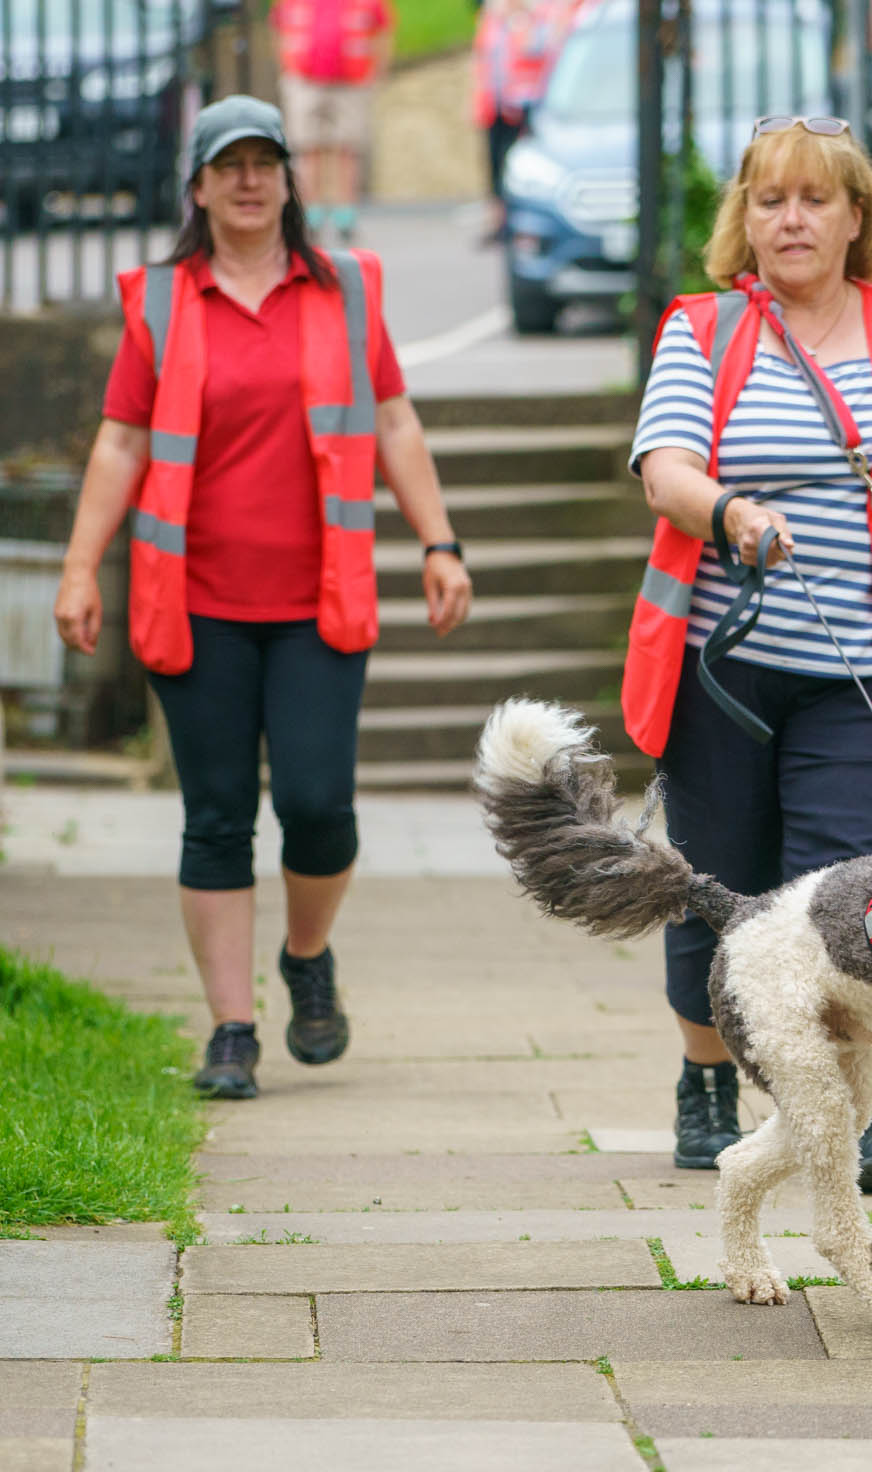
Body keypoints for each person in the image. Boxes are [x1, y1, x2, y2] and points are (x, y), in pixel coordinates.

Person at [52, 95, 473, 1101]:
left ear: (290, 179)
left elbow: (395, 420)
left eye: (265, 162)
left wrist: (440, 541)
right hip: (192, 601)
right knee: (217, 815)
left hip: (317, 602)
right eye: (227, 164)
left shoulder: (346, 290)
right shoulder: (161, 301)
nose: (249, 180)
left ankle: (306, 954)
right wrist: (79, 565)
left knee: (319, 807)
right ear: (198, 187)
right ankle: (232, 1027)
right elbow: (121, 439)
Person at [626, 115, 872, 1185]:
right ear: (742, 221)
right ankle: (705, 1079)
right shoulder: (702, 330)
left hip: (860, 674)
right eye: (766, 199)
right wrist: (733, 510)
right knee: (720, 885)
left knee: (856, 899)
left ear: (856, 217)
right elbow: (663, 470)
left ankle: (870, 1102)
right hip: (725, 670)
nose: (788, 218)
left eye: (811, 199)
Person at [270, 0, 394, 242]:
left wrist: (377, 71)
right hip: (305, 79)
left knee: (347, 149)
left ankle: (345, 216)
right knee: (308, 150)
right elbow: (279, 28)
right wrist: (287, 67)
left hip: (352, 79)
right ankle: (310, 215)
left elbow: (382, 29)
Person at [470, 0, 577, 245]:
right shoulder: (491, 19)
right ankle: (498, 222)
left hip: (524, 102)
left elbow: (538, 50)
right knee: (495, 163)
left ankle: (516, 223)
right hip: (495, 102)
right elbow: (484, 59)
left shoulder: (533, 18)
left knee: (518, 165)